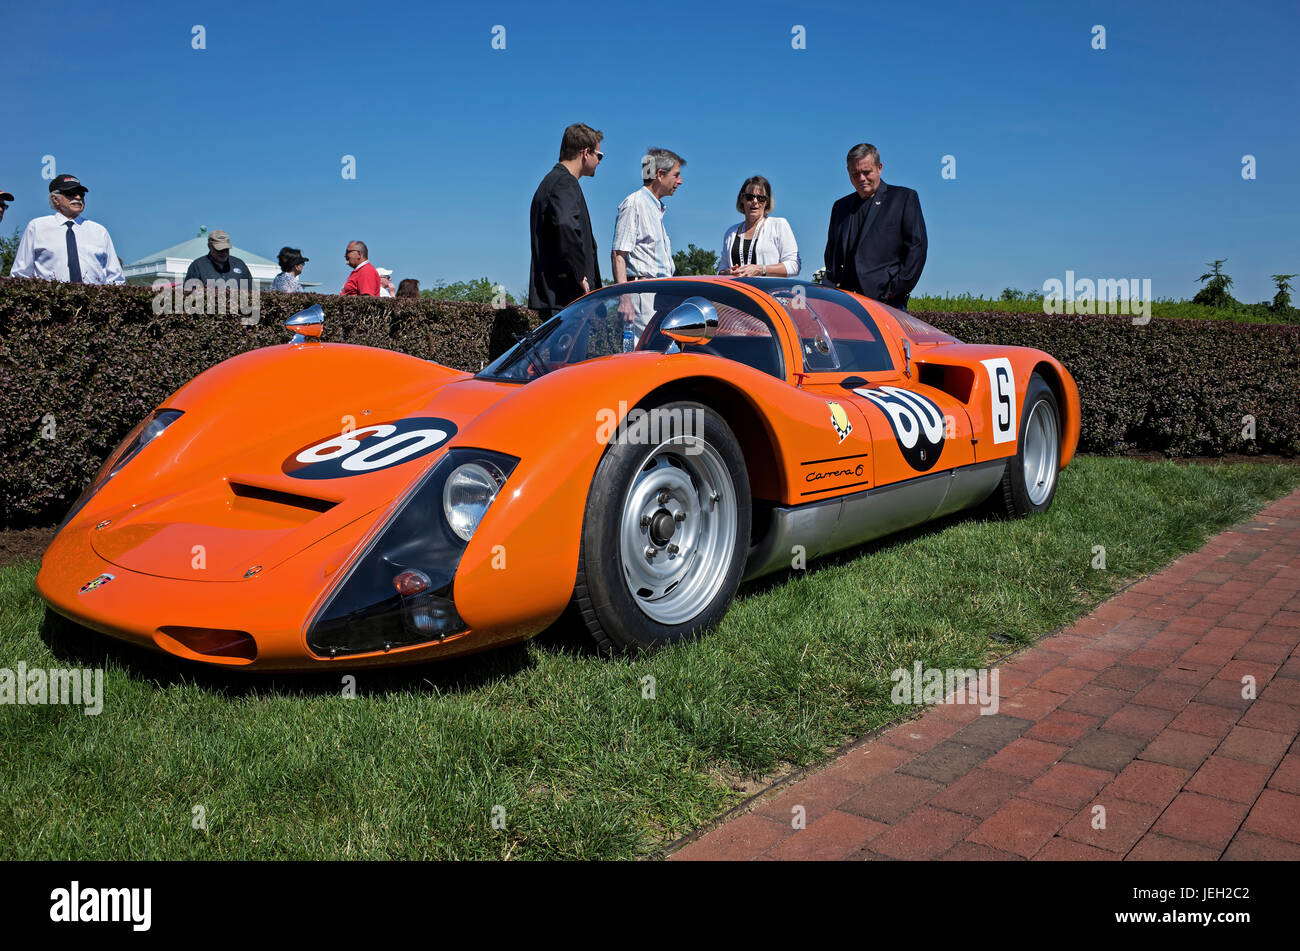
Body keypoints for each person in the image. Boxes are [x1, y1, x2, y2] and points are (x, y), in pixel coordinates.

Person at [823, 143, 927, 310]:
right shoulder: (840, 207)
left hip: (886, 302)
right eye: (855, 174)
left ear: (879, 168)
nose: (861, 178)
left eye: (866, 172)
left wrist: (897, 289)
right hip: (845, 303)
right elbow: (832, 252)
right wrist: (831, 287)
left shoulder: (903, 198)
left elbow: (917, 247)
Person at [529, 122, 604, 320]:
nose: (599, 161)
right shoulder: (564, 182)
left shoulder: (550, 182)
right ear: (586, 153)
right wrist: (579, 274)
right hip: (567, 298)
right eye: (599, 155)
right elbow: (565, 224)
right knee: (572, 352)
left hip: (557, 296)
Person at [611, 148, 684, 341]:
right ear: (660, 175)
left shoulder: (655, 208)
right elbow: (619, 254)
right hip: (642, 296)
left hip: (659, 296)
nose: (680, 181)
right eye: (676, 175)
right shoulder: (635, 204)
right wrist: (624, 298)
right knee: (641, 353)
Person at [9, 174, 125, 284]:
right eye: (71, 193)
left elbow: (115, 277)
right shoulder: (37, 227)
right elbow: (21, 274)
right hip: (49, 302)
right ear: (55, 199)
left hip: (94, 302)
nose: (78, 197)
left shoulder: (99, 231)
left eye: (81, 194)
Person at [718, 175, 800, 278]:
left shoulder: (778, 225)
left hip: (768, 293)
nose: (755, 201)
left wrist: (760, 269)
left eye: (760, 198)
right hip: (738, 292)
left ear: (767, 202)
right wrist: (729, 272)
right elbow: (720, 270)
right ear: (741, 199)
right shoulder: (731, 232)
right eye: (749, 197)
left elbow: (794, 265)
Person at [184, 230, 254, 290]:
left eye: (226, 249)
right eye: (219, 250)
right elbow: (188, 293)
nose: (223, 253)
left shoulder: (240, 264)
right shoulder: (197, 266)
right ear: (209, 246)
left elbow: (252, 292)